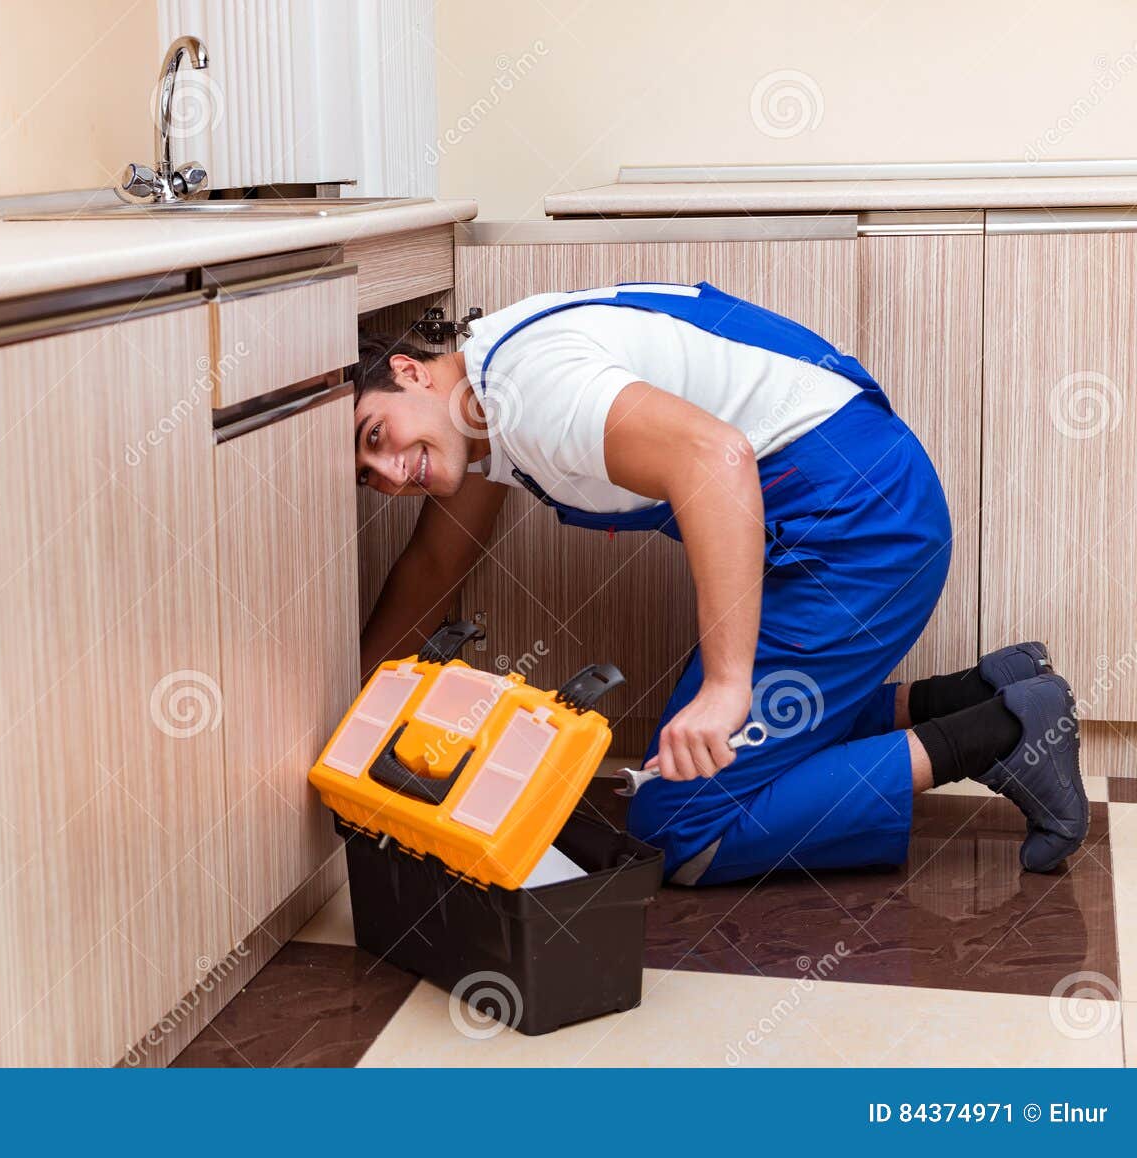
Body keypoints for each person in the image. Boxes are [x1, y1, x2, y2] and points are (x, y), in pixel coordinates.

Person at [354, 281, 1089, 886]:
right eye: (366, 475)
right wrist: (359, 719)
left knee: (682, 827)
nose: (387, 474)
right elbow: (436, 565)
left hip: (862, 531)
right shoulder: (482, 400)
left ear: (411, 372)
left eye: (375, 434)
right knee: (703, 749)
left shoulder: (530, 391)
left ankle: (1003, 732)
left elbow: (716, 460)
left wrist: (728, 685)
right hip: (845, 510)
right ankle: (979, 692)